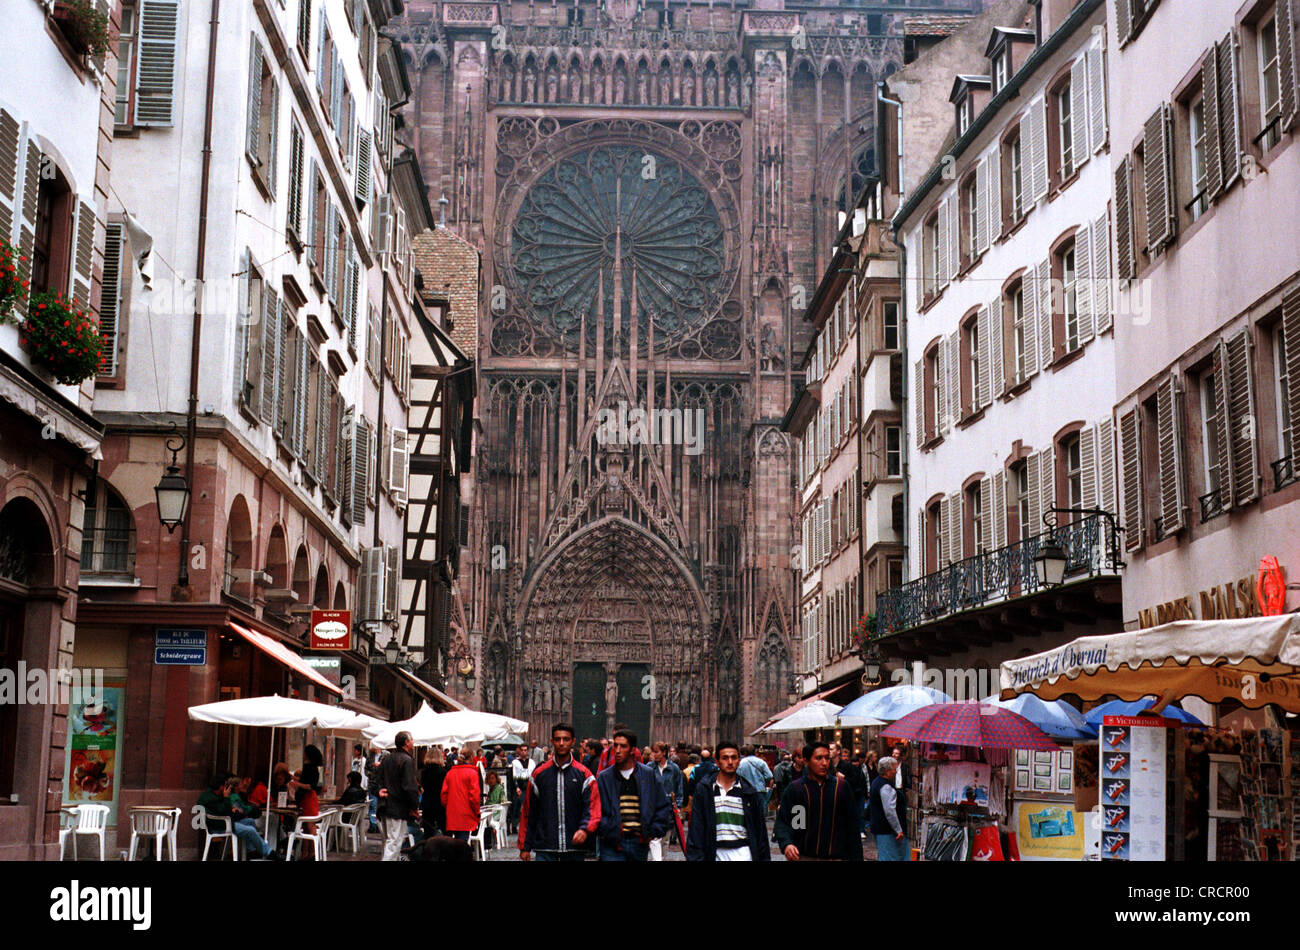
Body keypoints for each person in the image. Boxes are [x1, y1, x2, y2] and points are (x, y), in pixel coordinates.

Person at [518, 722, 601, 862]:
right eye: (557, 739)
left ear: (573, 742)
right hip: (545, 847)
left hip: (574, 847)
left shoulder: (584, 775)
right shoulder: (539, 774)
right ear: (552, 741)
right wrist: (524, 846)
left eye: (566, 739)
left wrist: (585, 829)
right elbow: (528, 812)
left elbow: (593, 807)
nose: (561, 743)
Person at [774, 742, 863, 861]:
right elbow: (786, 822)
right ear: (806, 761)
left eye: (827, 758)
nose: (824, 763)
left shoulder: (841, 788)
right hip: (804, 856)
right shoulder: (797, 789)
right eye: (818, 758)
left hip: (835, 857)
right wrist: (787, 844)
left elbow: (852, 828)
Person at [595, 728, 672, 861]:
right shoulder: (604, 777)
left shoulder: (648, 775)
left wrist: (654, 831)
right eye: (615, 746)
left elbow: (662, 805)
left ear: (632, 750)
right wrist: (605, 829)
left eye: (623, 746)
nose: (617, 750)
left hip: (639, 842)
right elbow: (595, 808)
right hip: (612, 843)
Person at [686, 741, 771, 862]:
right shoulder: (705, 790)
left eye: (734, 758)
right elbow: (696, 828)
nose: (730, 762)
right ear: (717, 762)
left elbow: (760, 831)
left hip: (744, 852)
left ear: (739, 761)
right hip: (715, 852)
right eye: (725, 758)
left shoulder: (748, 791)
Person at [198, 773, 276, 860]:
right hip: (220, 825)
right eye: (225, 785)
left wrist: (231, 809)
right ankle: (268, 852)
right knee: (251, 830)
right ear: (220, 787)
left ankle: (251, 850)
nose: (226, 788)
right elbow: (225, 812)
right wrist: (226, 799)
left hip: (222, 822)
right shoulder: (211, 798)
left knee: (250, 821)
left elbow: (222, 810)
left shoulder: (211, 795)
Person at [377, 731, 420, 861]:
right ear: (406, 743)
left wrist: (379, 790)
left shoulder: (387, 759)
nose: (413, 742)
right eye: (411, 739)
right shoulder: (406, 760)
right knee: (394, 841)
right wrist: (414, 806)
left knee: (390, 841)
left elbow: (376, 780)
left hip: (385, 805)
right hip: (398, 807)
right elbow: (409, 786)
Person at [870, 756, 911, 861]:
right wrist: (898, 830)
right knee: (891, 856)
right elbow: (890, 811)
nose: (896, 771)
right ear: (887, 771)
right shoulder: (885, 786)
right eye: (894, 769)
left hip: (881, 829)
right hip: (887, 831)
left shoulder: (877, 782)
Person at [648, 741, 684, 860]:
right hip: (653, 808)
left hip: (669, 808)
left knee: (665, 840)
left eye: (656, 752)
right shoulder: (649, 767)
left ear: (664, 752)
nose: (653, 754)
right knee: (655, 839)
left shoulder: (674, 769)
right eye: (653, 751)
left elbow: (679, 789)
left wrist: (678, 807)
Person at [442, 744, 482, 843]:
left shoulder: (450, 773)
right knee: (462, 844)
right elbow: (474, 797)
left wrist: (449, 807)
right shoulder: (472, 773)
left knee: (452, 845)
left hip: (452, 814)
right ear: (472, 757)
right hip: (466, 814)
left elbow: (444, 796)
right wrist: (477, 812)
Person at [836, 745, 868, 835]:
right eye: (843, 756)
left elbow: (857, 781)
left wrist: (844, 777)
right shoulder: (840, 767)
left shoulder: (852, 768)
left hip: (856, 793)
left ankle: (860, 829)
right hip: (845, 794)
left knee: (859, 812)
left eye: (846, 756)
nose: (845, 758)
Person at [420, 747, 447, 839]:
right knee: (444, 830)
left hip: (427, 803)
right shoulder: (443, 772)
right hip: (440, 803)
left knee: (428, 832)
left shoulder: (424, 772)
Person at [737, 745, 774, 810]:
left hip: (746, 792)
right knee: (760, 813)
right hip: (759, 791)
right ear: (754, 752)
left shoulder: (741, 763)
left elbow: (737, 777)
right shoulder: (761, 762)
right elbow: (769, 776)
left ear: (745, 753)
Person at [509, 745, 534, 835]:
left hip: (529, 784)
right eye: (522, 750)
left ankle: (529, 825)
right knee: (517, 806)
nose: (524, 752)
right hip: (519, 784)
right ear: (519, 751)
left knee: (529, 806)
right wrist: (516, 787)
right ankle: (515, 826)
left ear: (528, 751)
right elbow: (514, 776)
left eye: (525, 750)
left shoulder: (531, 762)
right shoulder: (515, 762)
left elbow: (533, 774)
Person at [365, 746, 384, 833]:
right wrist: (370, 774)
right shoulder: (370, 757)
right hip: (372, 784)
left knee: (380, 806)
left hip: (382, 784)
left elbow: (388, 768)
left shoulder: (386, 755)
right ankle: (373, 826)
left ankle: (380, 825)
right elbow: (366, 769)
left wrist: (380, 766)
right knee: (373, 804)